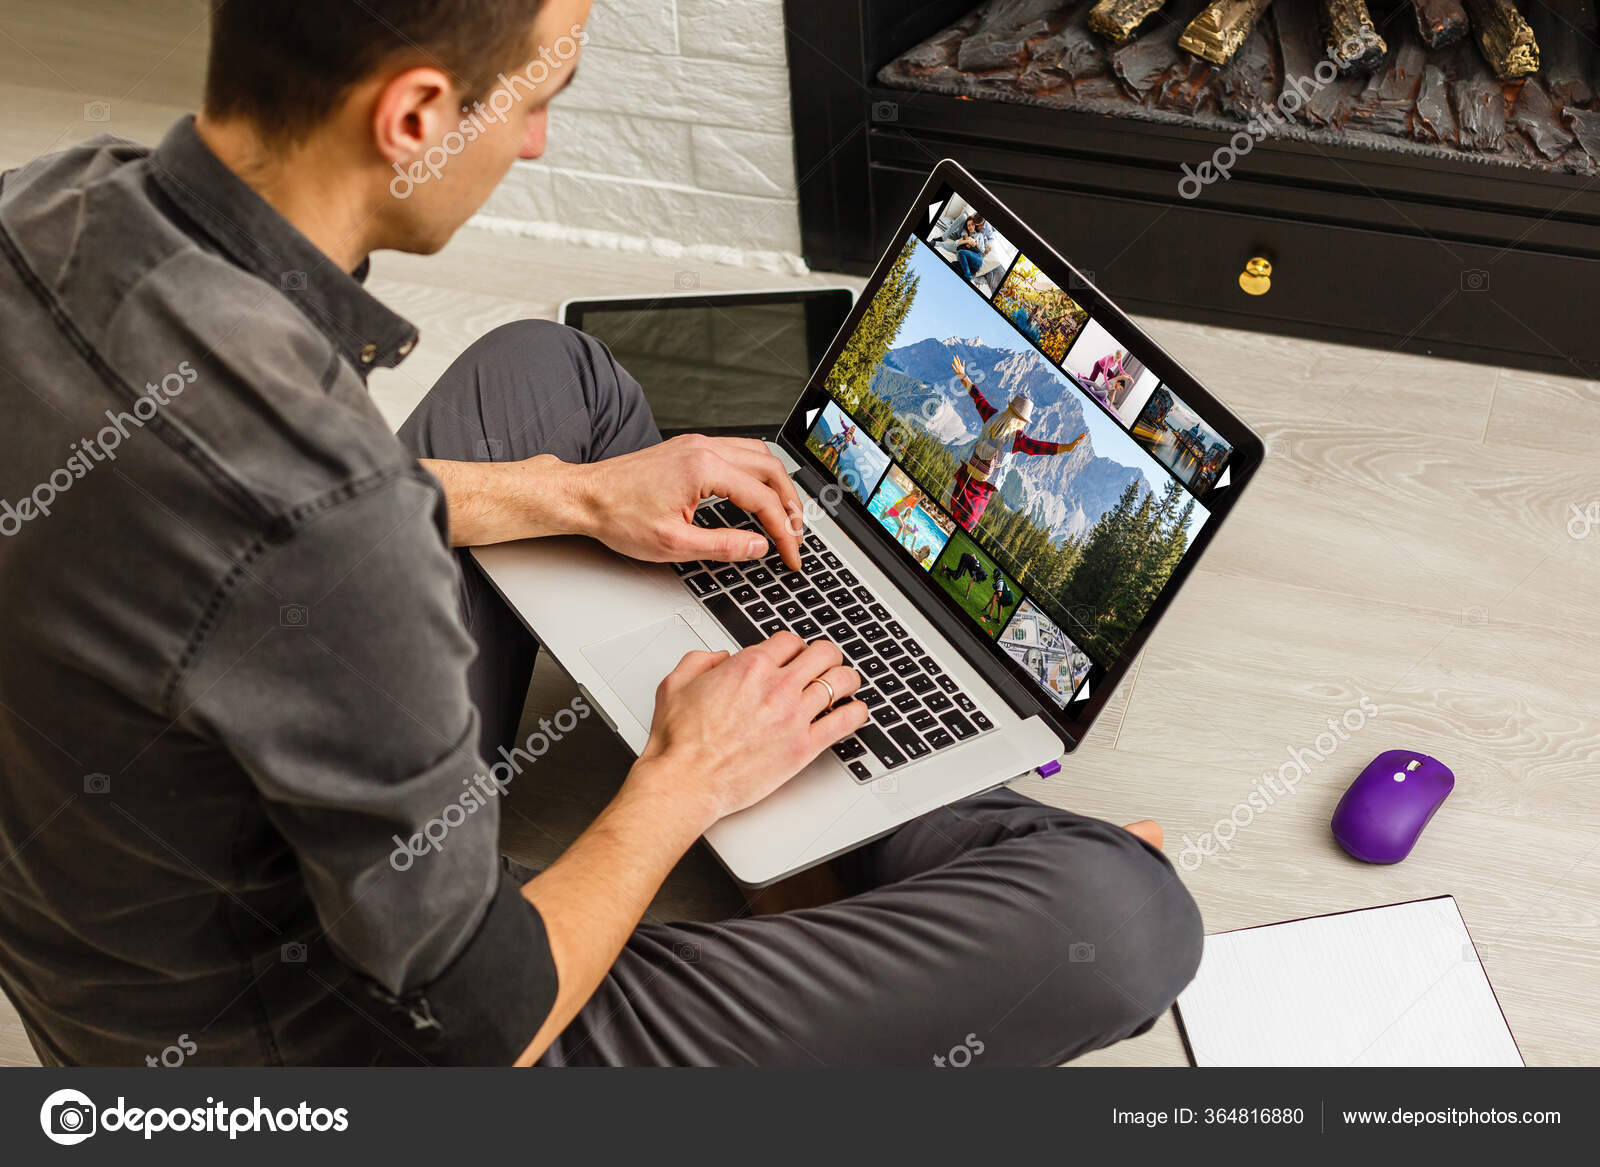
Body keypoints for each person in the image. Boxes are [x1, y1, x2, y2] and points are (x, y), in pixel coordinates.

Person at [0, 0, 1201, 1067]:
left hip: (125, 909)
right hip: (324, 1039)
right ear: (418, 115)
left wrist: (575, 498)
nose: (535, 143)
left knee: (547, 371)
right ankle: (885, 840)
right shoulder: (327, 519)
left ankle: (830, 824)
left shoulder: (49, 204)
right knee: (1119, 922)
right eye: (539, 98)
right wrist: (683, 780)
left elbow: (229, 514)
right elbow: (488, 1020)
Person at [940, 355, 1087, 531]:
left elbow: (977, 396)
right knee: (960, 528)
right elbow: (1041, 448)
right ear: (1022, 420)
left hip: (966, 473)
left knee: (941, 510)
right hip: (981, 491)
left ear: (1010, 408)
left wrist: (963, 376)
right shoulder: (1018, 439)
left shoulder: (991, 416)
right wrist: (1068, 447)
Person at [952, 213, 993, 282]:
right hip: (969, 264)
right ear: (967, 227)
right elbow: (955, 243)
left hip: (977, 259)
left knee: (961, 252)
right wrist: (967, 241)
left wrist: (975, 244)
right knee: (953, 264)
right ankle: (969, 273)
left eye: (973, 224)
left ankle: (968, 276)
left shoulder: (979, 235)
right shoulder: (965, 236)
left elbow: (982, 250)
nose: (971, 227)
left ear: (975, 225)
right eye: (969, 225)